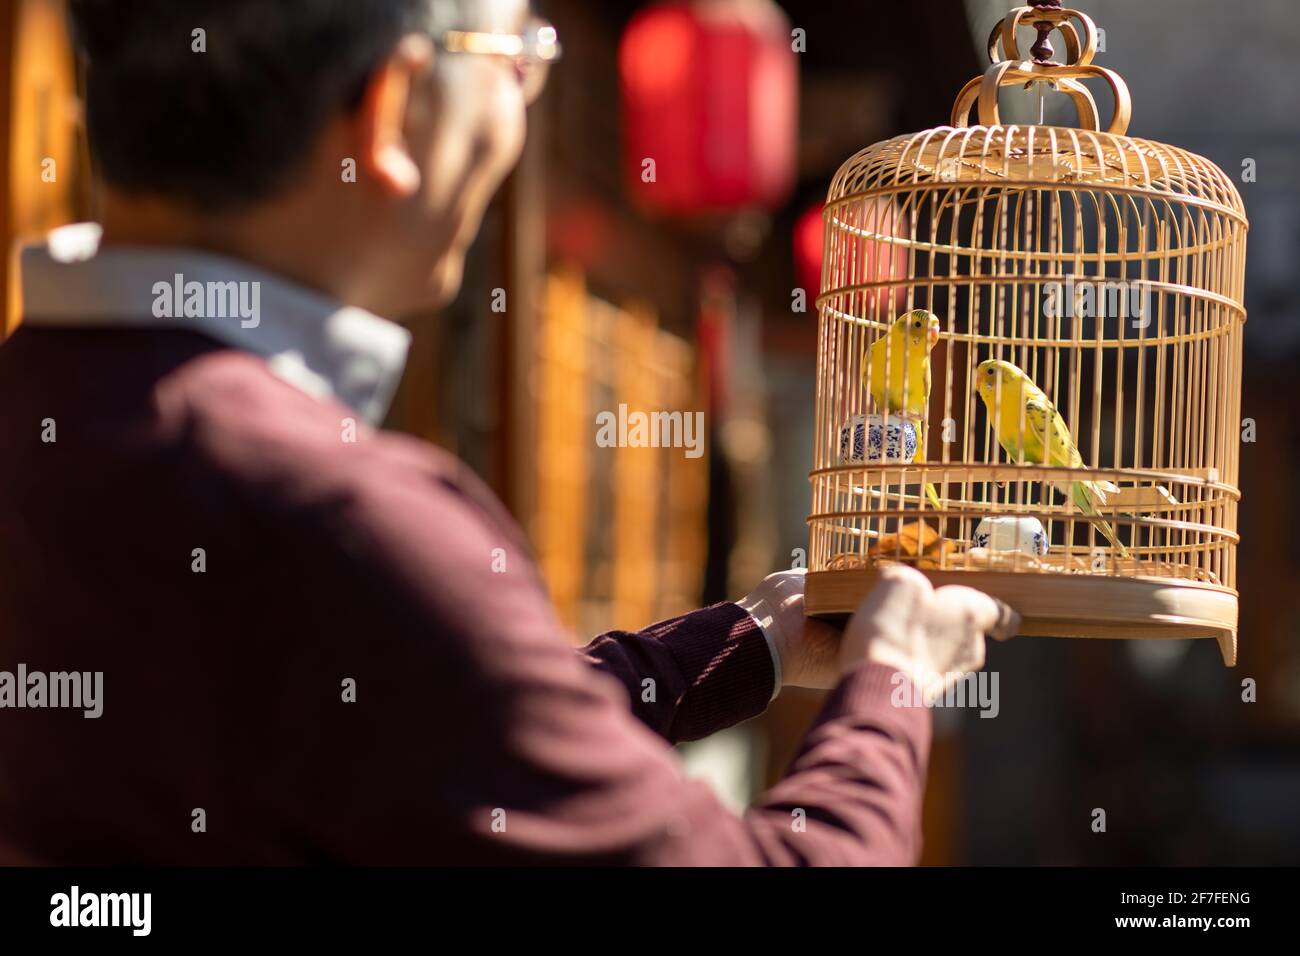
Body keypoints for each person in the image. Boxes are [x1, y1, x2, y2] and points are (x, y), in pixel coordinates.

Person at [0, 0, 1016, 864]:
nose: (525, 103)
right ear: (393, 108)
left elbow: (415, 720)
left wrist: (744, 641)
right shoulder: (344, 516)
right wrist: (895, 676)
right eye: (519, 63)